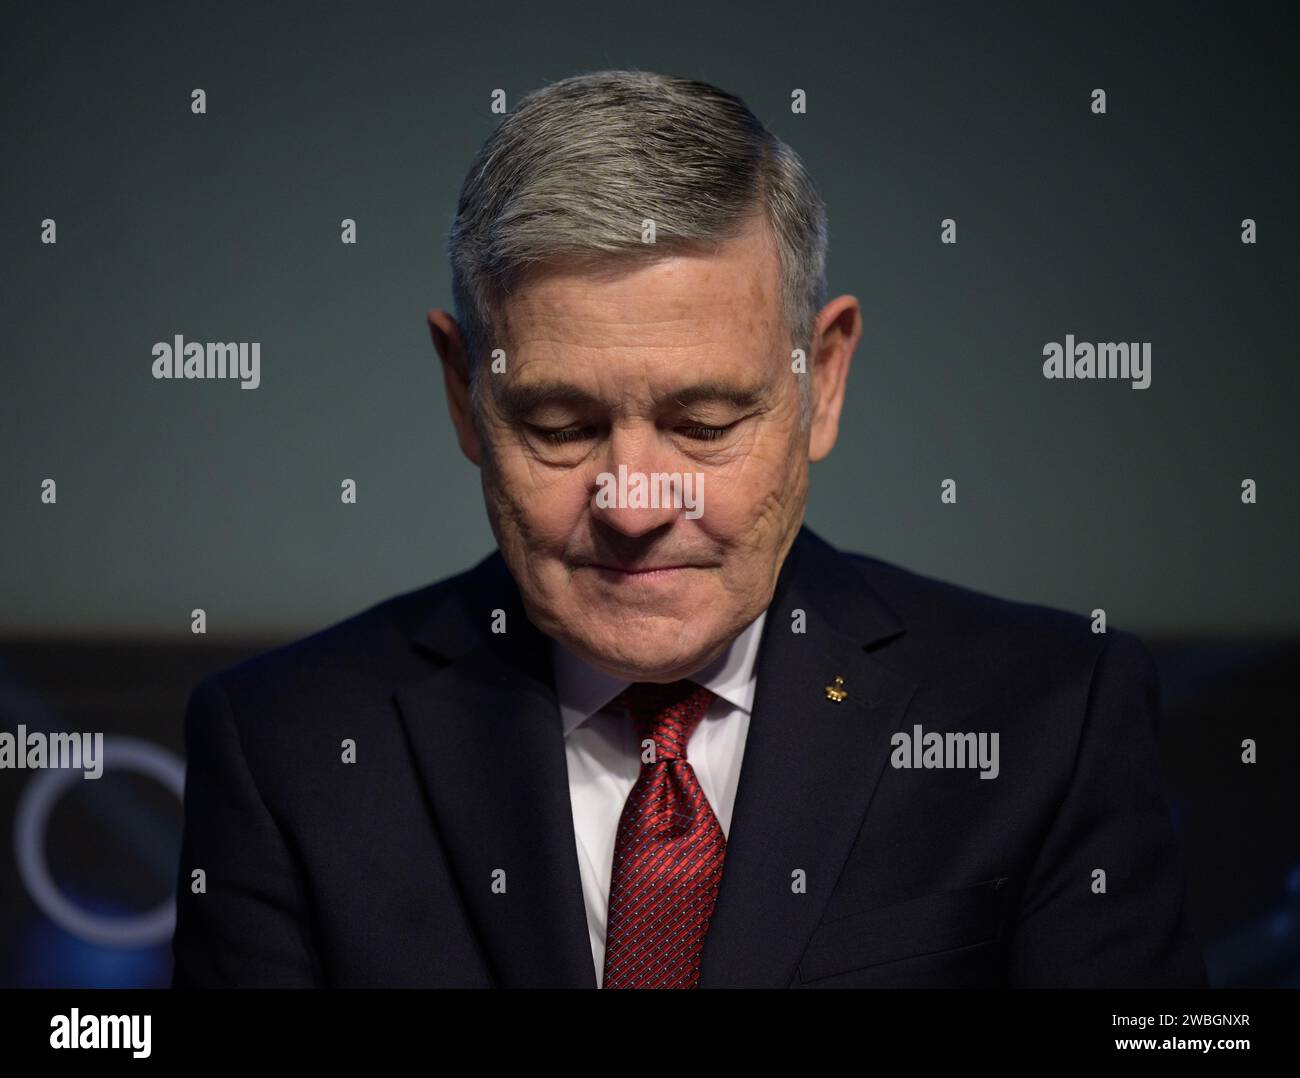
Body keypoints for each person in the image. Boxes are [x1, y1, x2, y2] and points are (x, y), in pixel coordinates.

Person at [171, 69, 1206, 988]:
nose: (634, 504)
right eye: (561, 426)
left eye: (704, 425)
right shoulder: (287, 752)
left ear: (824, 378)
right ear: (461, 392)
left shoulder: (1050, 718)